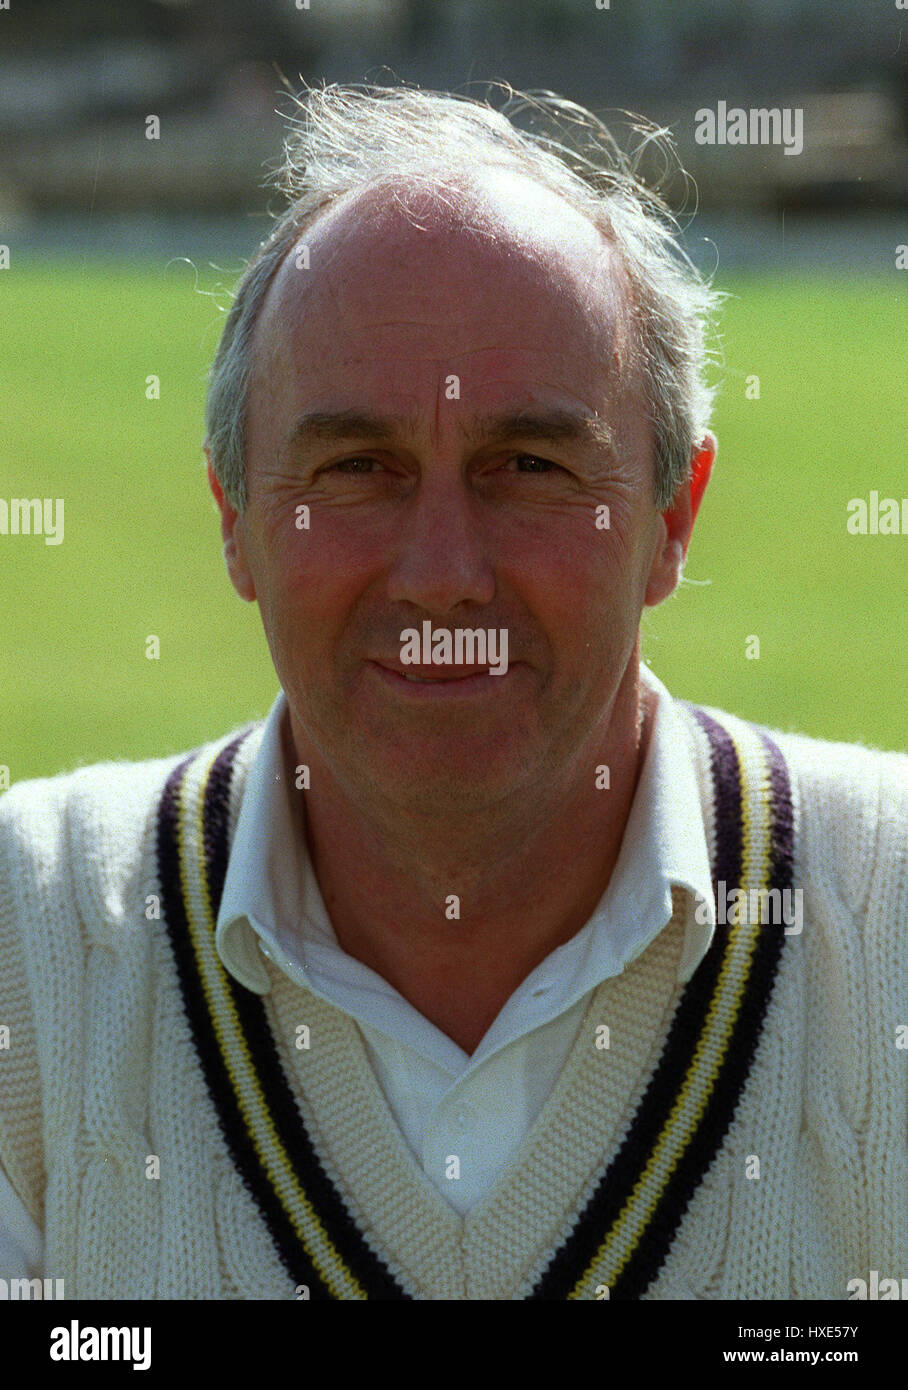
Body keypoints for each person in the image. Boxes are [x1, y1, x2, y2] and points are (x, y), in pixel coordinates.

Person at [0, 83, 904, 1301]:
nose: (440, 576)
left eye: (527, 465)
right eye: (356, 467)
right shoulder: (33, 933)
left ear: (669, 515)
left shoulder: (883, 920)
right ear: (234, 518)